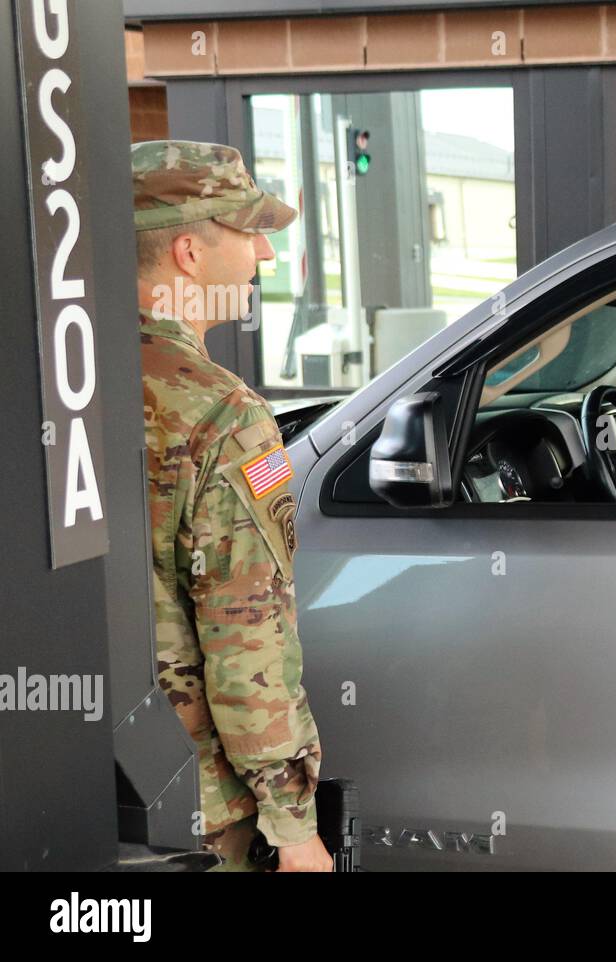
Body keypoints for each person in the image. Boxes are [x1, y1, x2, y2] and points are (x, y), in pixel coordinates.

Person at [134, 140, 332, 872]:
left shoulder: (57, 384)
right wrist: (295, 829)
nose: (265, 255)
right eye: (250, 232)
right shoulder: (224, 415)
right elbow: (247, 638)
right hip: (194, 806)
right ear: (189, 253)